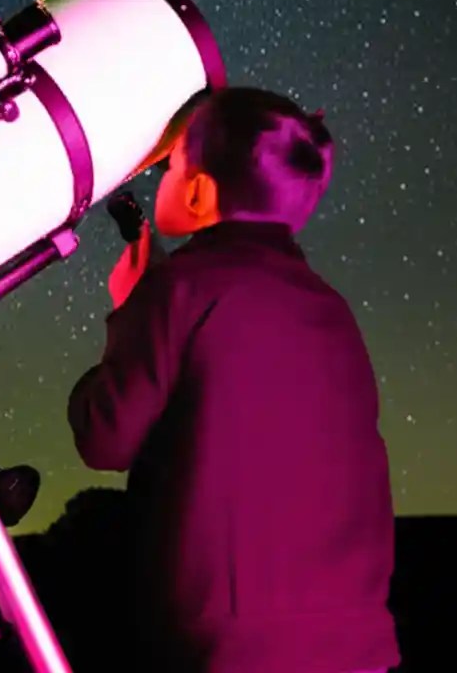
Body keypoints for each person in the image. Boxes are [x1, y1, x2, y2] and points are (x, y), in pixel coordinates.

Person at [67, 87, 401, 673]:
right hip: (359, 649)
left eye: (170, 169)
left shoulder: (180, 291)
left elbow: (104, 437)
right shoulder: (332, 308)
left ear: (197, 192)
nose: (163, 178)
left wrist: (130, 311)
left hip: (230, 655)